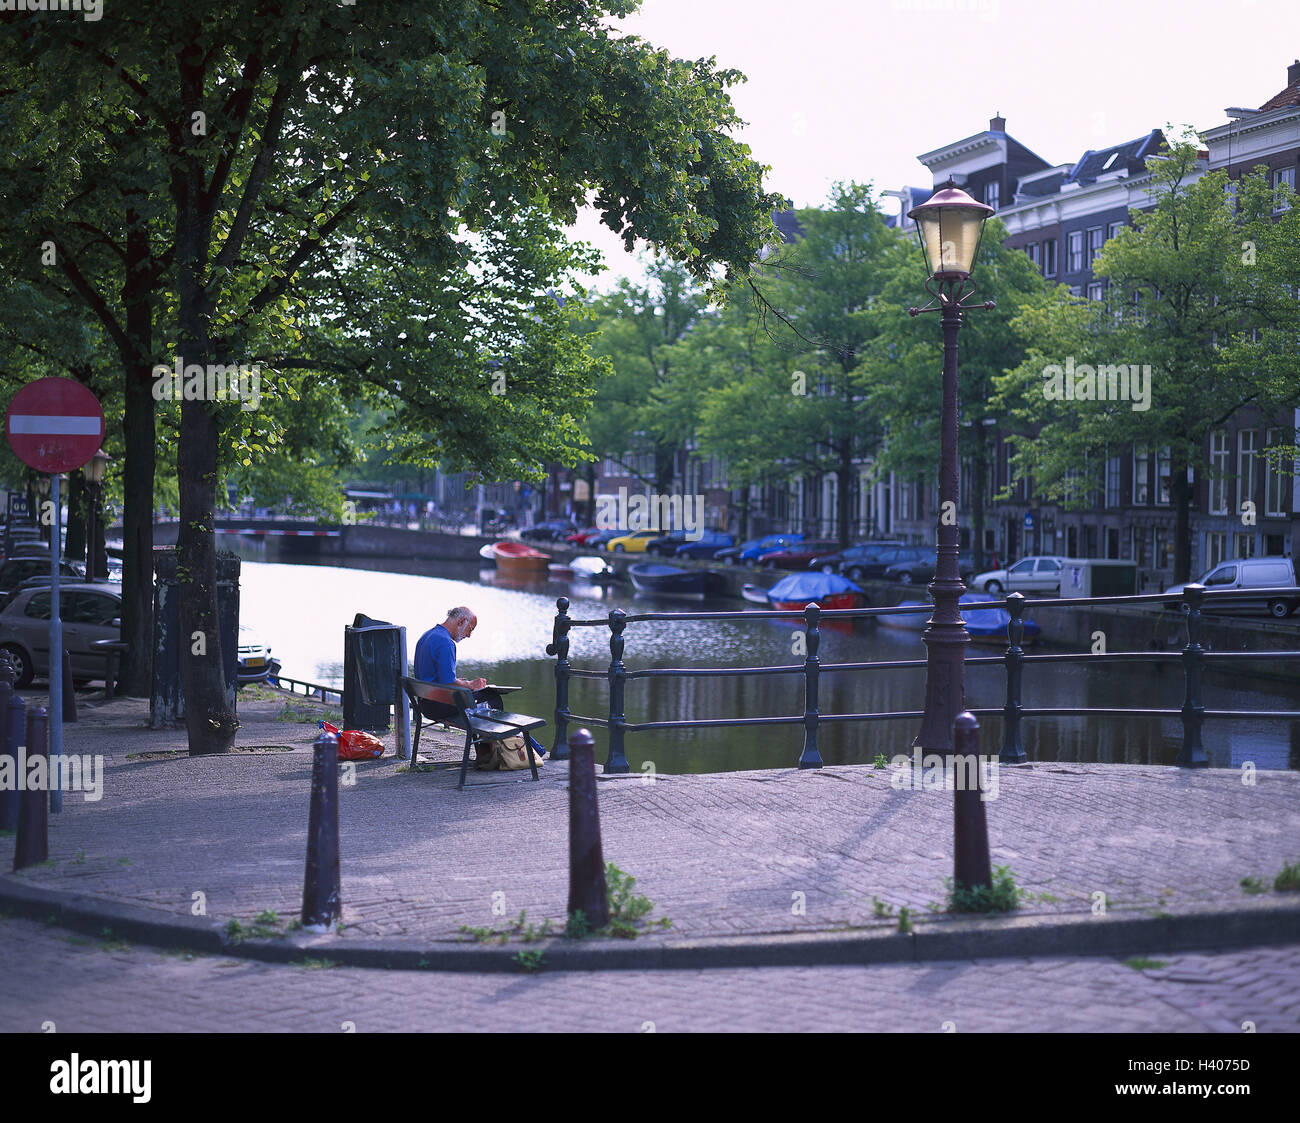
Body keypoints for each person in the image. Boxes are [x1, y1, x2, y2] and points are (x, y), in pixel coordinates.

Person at [411, 606, 545, 758]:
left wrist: (461, 683)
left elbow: (439, 679)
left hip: (426, 703)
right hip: (438, 706)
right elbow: (448, 684)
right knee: (492, 699)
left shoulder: (428, 635)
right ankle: (489, 755)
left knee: (484, 701)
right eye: (470, 629)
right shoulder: (445, 643)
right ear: (461, 621)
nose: (469, 635)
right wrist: (471, 685)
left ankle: (516, 750)